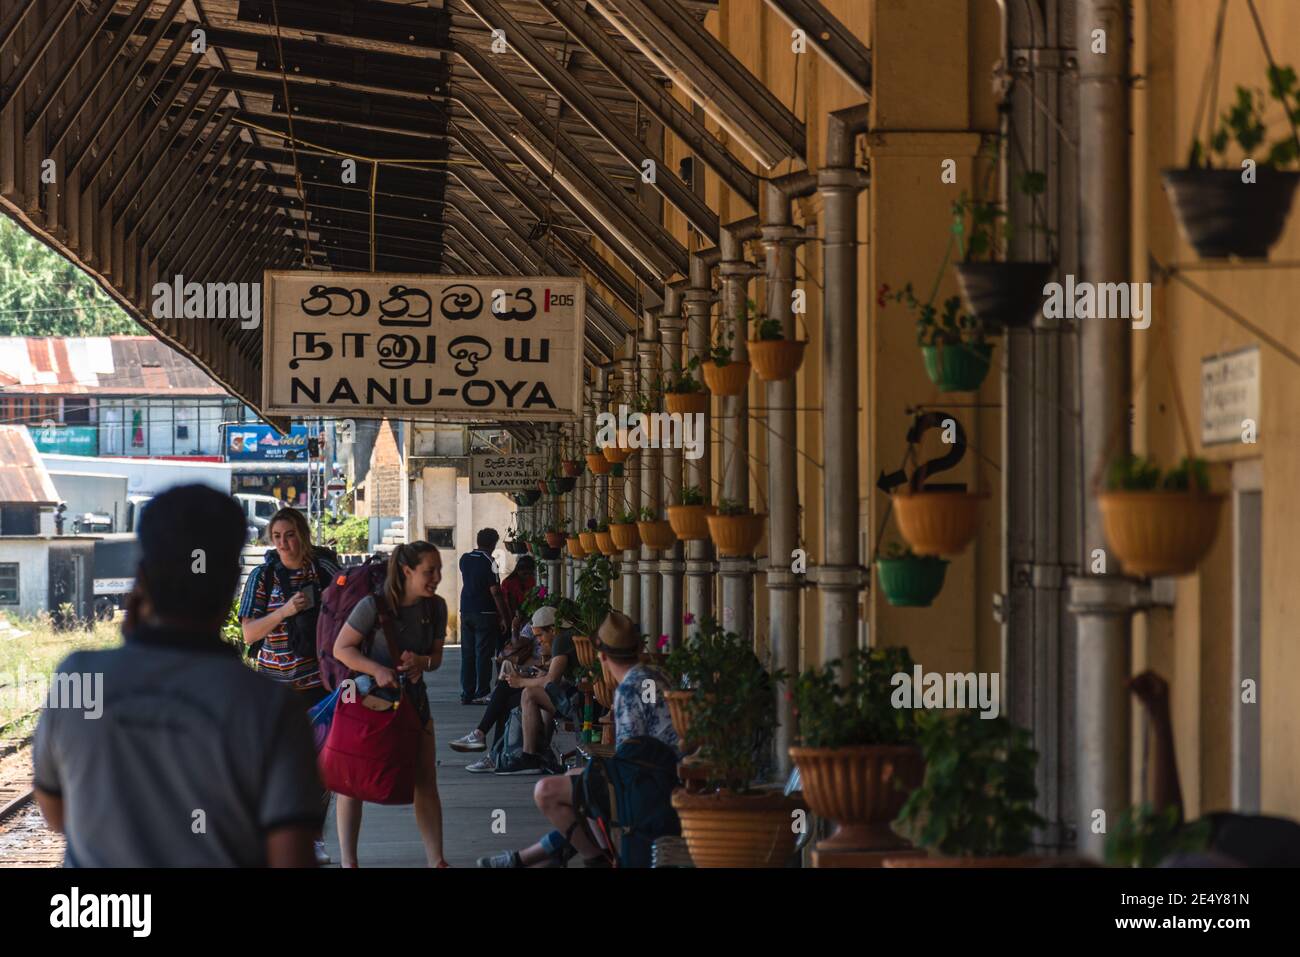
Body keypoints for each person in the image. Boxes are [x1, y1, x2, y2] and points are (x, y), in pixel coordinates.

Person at [31, 485, 322, 867]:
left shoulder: (78, 676)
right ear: (233, 582)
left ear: (141, 578)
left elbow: (55, 813)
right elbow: (291, 856)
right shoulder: (271, 705)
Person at [478, 611, 678, 868]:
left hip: (651, 786)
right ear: (639, 648)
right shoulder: (657, 676)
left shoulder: (629, 690)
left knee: (549, 792)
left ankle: (596, 858)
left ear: (602, 656)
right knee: (579, 787)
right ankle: (526, 858)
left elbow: (631, 761)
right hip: (665, 775)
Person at [331, 542, 449, 868]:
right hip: (368, 703)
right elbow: (342, 649)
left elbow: (437, 659)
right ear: (407, 571)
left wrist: (421, 662)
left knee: (425, 781)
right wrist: (377, 669)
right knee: (352, 781)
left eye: (438, 570)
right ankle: (349, 861)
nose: (437, 577)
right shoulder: (373, 605)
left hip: (413, 701)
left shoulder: (436, 607)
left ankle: (437, 860)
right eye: (430, 571)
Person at [239, 506, 340, 864]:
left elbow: (352, 610)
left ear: (303, 534)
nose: (284, 543)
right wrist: (286, 611)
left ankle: (313, 838)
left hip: (319, 682)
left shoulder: (325, 570)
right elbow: (250, 631)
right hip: (274, 684)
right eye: (277, 537)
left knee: (322, 766)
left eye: (290, 535)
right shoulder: (263, 576)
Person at [447, 604, 551, 766]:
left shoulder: (560, 646)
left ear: (552, 630)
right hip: (537, 682)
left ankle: (487, 746)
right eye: (536, 636)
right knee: (504, 696)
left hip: (546, 692)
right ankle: (491, 750)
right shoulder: (541, 636)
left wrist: (523, 680)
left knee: (504, 698)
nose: (538, 640)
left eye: (540, 636)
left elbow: (550, 679)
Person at [458, 528, 510, 706]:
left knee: (468, 654)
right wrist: (504, 617)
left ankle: (467, 693)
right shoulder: (491, 562)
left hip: (466, 610)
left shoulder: (464, 559)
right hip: (485, 613)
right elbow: (496, 592)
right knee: (483, 654)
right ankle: (482, 692)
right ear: (494, 543)